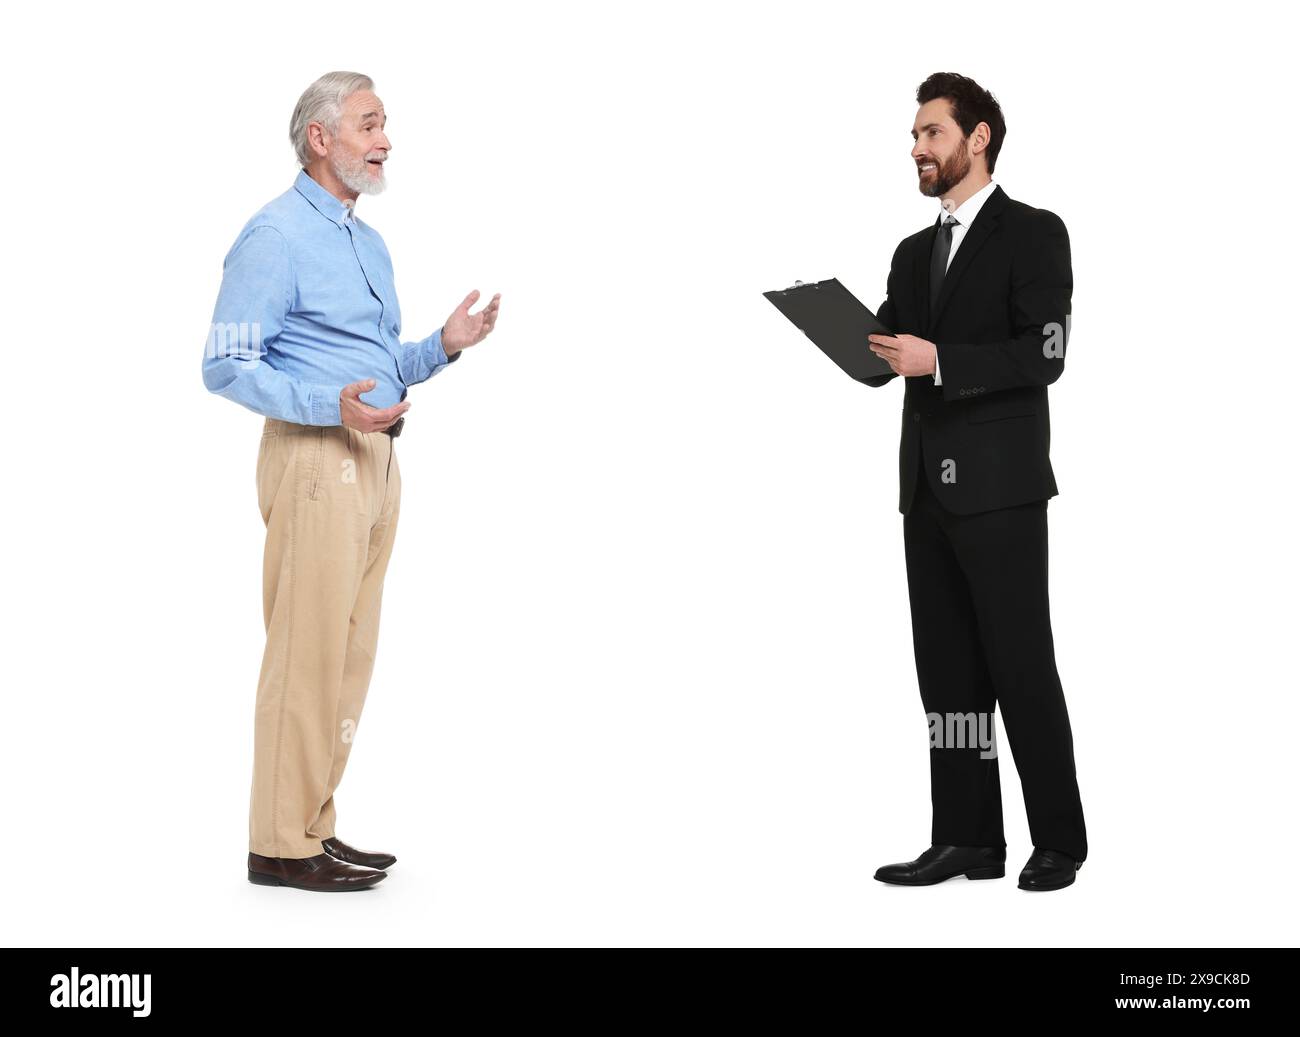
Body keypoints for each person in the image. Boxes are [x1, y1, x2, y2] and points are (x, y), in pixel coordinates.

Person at [202, 71, 501, 892]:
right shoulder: (273, 234)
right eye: (370, 124)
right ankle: (277, 843)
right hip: (314, 461)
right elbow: (223, 366)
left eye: (385, 124)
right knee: (305, 652)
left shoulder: (367, 242)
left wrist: (442, 344)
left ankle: (312, 827)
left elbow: (372, 367)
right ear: (320, 139)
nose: (386, 140)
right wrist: (324, 407)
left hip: (375, 460)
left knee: (347, 655)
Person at [864, 73, 1086, 891]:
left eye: (931, 133)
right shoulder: (912, 252)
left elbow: (1047, 353)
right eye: (915, 137)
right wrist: (850, 338)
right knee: (948, 673)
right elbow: (884, 359)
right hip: (925, 490)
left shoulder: (1034, 234)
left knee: (1021, 663)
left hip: (1002, 491)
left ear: (978, 137)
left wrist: (943, 361)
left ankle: (1058, 838)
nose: (917, 148)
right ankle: (967, 836)